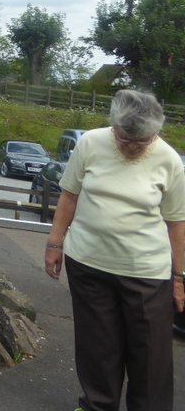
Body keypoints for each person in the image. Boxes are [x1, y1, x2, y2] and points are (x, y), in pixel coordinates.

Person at [44, 89, 185, 411]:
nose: (132, 146)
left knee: (150, 354)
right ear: (114, 126)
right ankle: (97, 406)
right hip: (88, 263)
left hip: (147, 272)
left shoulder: (169, 160)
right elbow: (69, 196)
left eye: (142, 141)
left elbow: (177, 223)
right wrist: (54, 243)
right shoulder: (90, 143)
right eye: (125, 139)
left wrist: (179, 277)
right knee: (97, 346)